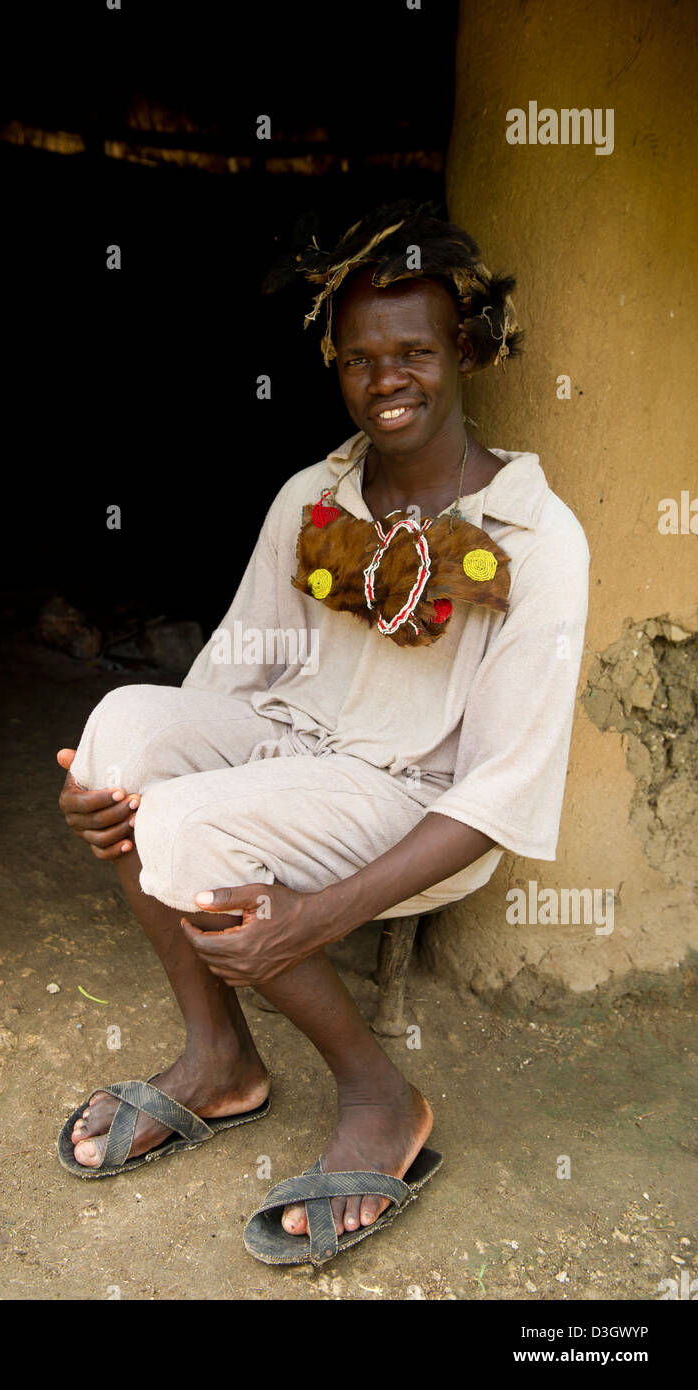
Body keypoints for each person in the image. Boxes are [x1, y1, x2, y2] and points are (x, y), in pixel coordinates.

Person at [55, 202, 590, 1267]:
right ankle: (221, 1059)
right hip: (288, 745)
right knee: (120, 734)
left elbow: (497, 796)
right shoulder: (314, 494)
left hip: (411, 801)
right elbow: (228, 679)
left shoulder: (541, 536)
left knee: (193, 833)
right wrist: (111, 790)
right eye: (357, 358)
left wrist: (312, 915)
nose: (384, 378)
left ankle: (382, 1097)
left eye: (413, 353)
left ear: (468, 350)